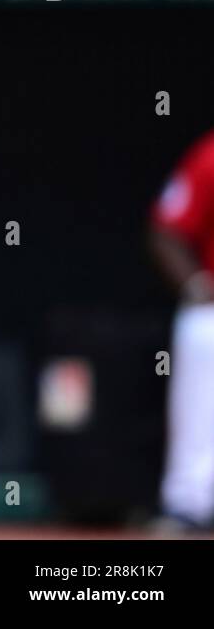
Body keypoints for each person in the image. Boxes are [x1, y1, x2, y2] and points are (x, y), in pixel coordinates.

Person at [150, 130, 214, 530]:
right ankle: (188, 503)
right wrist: (195, 285)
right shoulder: (210, 155)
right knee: (201, 327)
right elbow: (165, 230)